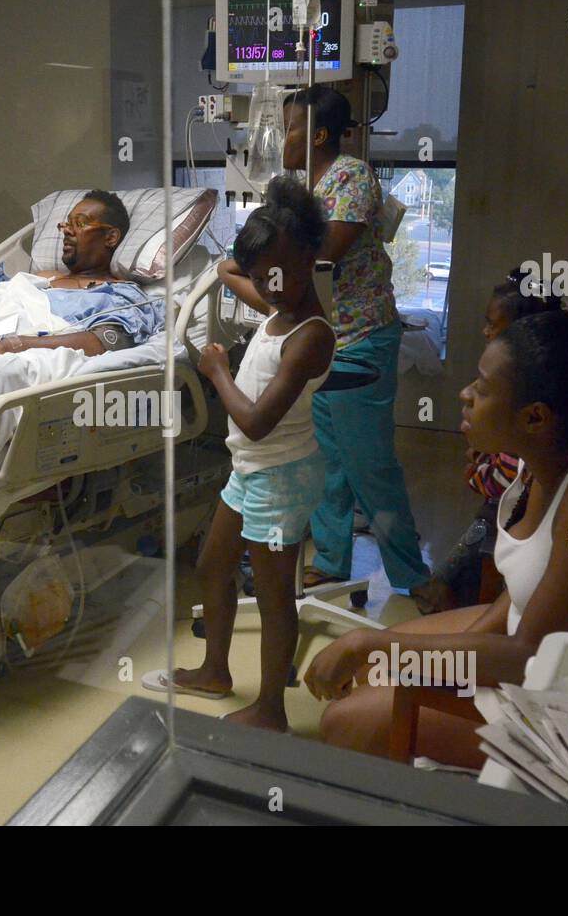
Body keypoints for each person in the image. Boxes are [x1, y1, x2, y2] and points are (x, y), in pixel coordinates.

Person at [303, 307, 568, 765]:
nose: (465, 394)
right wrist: (451, 664)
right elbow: (530, 589)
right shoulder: (542, 456)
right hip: (546, 648)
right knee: (374, 674)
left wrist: (373, 645)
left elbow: (528, 656)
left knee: (346, 721)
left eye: (481, 387)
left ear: (535, 417)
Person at [217, 85, 435, 609]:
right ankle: (332, 562)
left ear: (316, 134)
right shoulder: (301, 187)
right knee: (327, 462)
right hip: (320, 341)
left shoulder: (351, 177)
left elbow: (316, 267)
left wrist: (236, 277)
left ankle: (415, 576)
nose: (279, 139)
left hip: (358, 338)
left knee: (369, 466)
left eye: (287, 128)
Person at [142, 177, 336, 733]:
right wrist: (253, 257)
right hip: (251, 471)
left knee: (275, 596)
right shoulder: (277, 302)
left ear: (309, 259)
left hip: (280, 474)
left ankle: (271, 710)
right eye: (260, 278)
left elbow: (253, 422)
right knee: (212, 566)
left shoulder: (311, 335)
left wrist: (218, 371)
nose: (265, 286)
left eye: (275, 274)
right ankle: (215, 671)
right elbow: (228, 270)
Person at [419, 269, 564, 614]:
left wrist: (476, 467)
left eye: (481, 389)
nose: (465, 394)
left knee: (453, 577)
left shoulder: (525, 447)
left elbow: (498, 480)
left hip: (495, 514)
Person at [0, 190, 161, 358]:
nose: (67, 230)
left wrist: (17, 344)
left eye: (80, 223)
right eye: (65, 224)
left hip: (14, 357)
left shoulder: (119, 293)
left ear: (111, 237)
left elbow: (105, 342)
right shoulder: (42, 277)